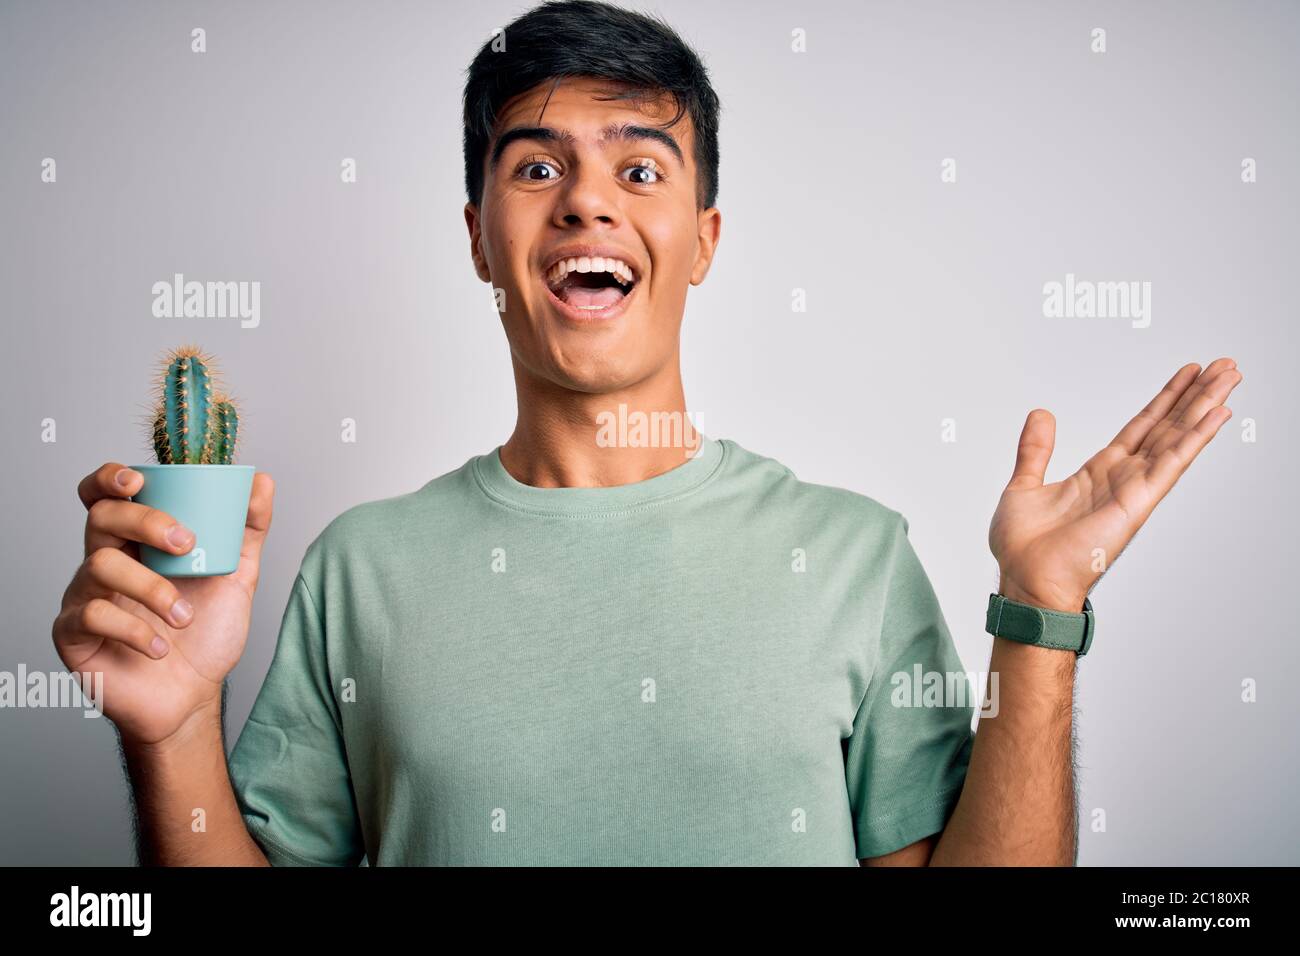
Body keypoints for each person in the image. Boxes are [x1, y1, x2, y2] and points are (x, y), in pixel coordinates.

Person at [52, 0, 1241, 866]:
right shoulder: (359, 568)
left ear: (704, 239)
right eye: (537, 165)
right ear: (479, 238)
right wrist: (172, 728)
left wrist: (1038, 614)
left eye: (638, 164)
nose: (587, 198)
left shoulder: (853, 556)